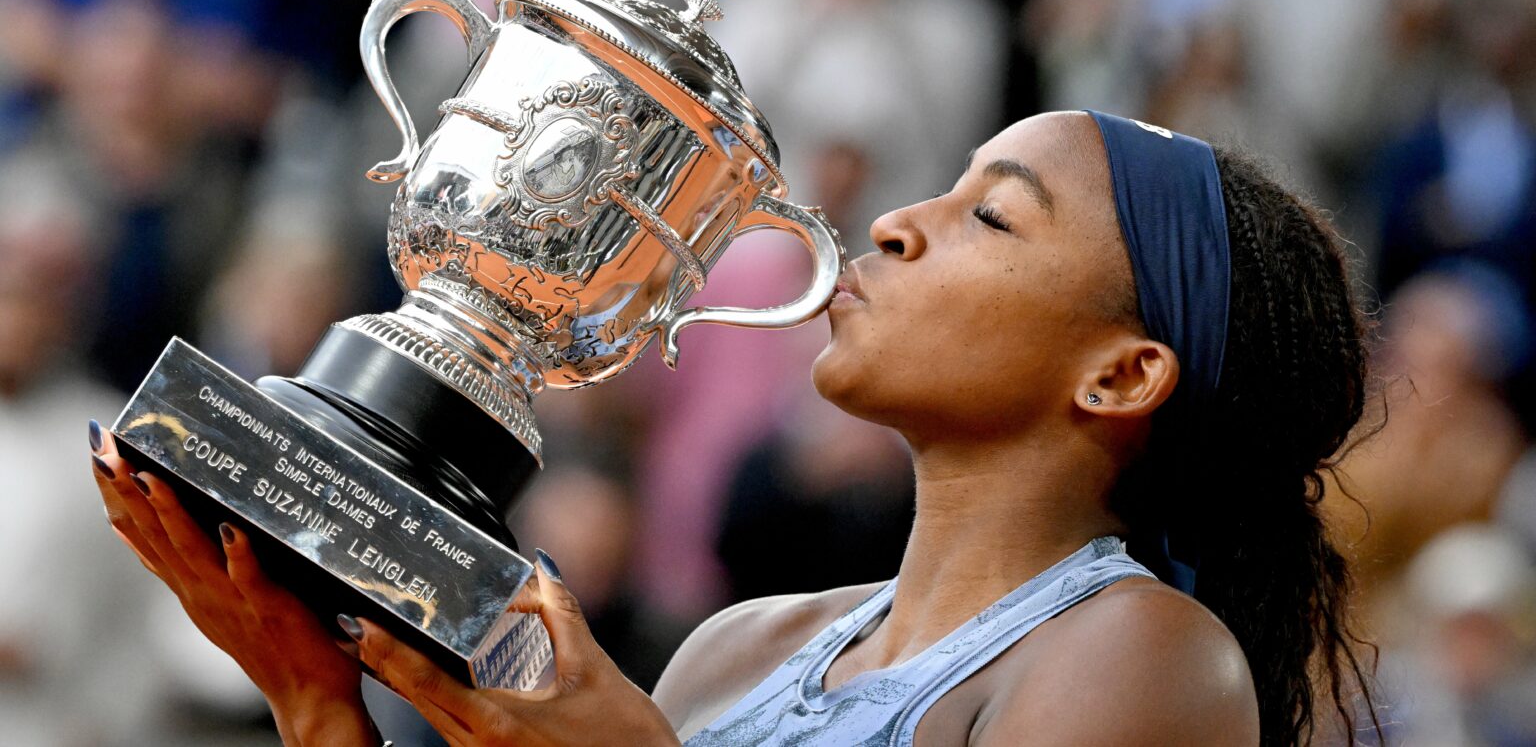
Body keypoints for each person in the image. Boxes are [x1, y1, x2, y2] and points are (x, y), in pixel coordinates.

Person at [89, 109, 1382, 745]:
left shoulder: (1147, 657)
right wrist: (318, 705)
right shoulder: (732, 647)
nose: (895, 223)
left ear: (1121, 373)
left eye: (993, 216)